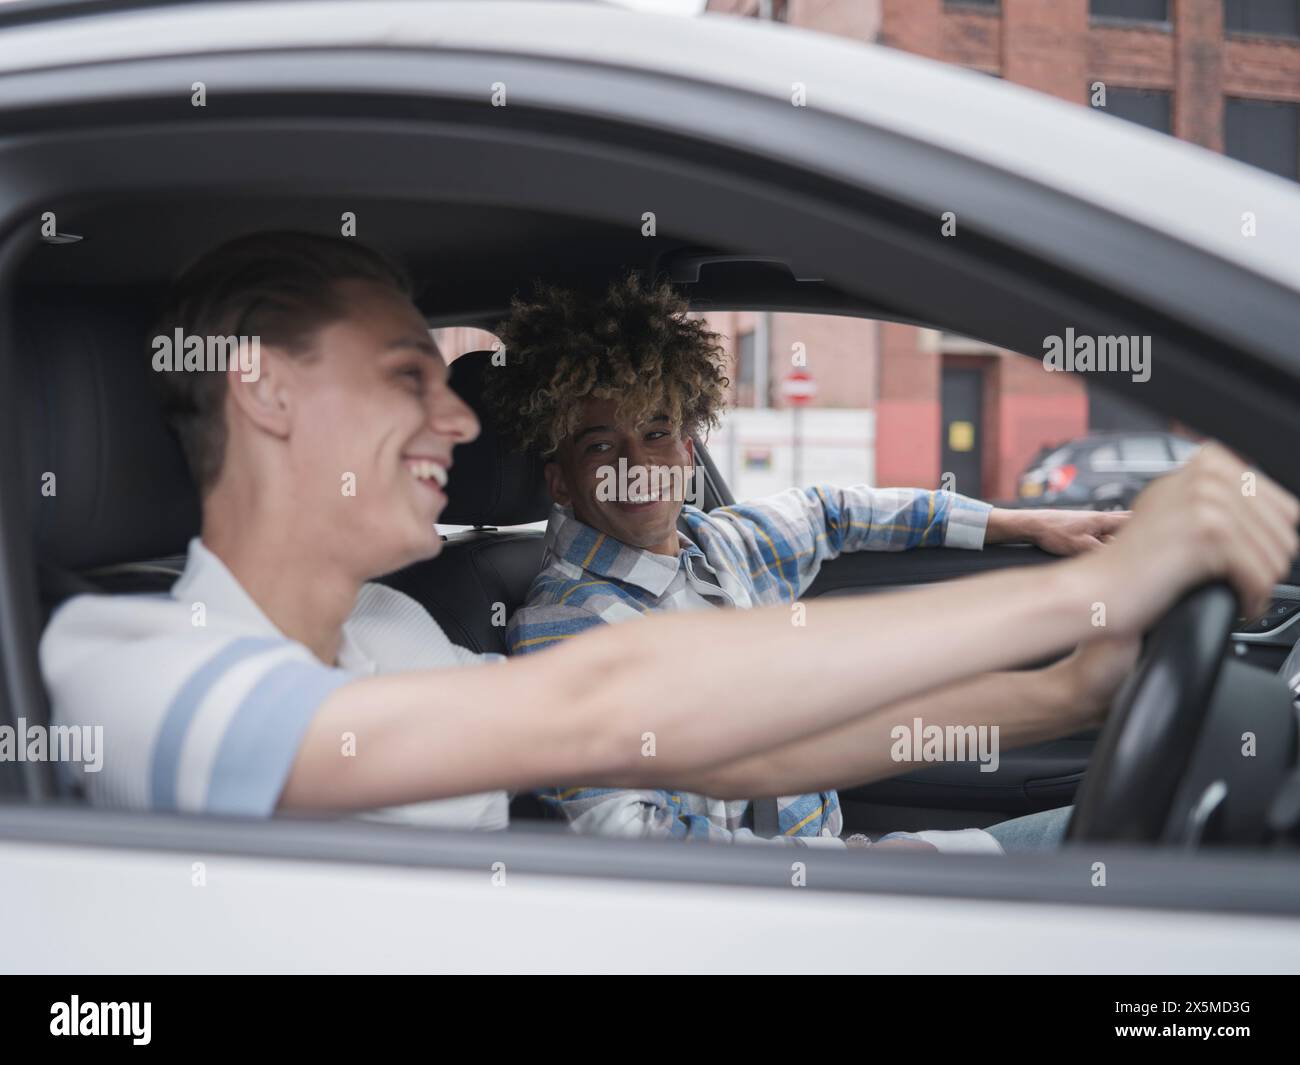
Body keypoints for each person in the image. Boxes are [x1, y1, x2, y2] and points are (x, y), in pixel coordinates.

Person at [39, 233, 1298, 834]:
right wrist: (1084, 590)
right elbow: (605, 701)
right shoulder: (124, 658)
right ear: (260, 388)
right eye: (406, 378)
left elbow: (719, 752)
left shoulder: (396, 631)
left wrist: (1069, 688)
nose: (462, 426)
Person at [490, 275, 1222, 852]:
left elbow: (837, 510)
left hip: (847, 863)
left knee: (1153, 829)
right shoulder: (565, 622)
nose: (638, 462)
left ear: (689, 446)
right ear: (560, 481)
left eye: (657, 430)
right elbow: (637, 845)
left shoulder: (723, 545)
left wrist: (1022, 522)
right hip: (769, 922)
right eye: (599, 445)